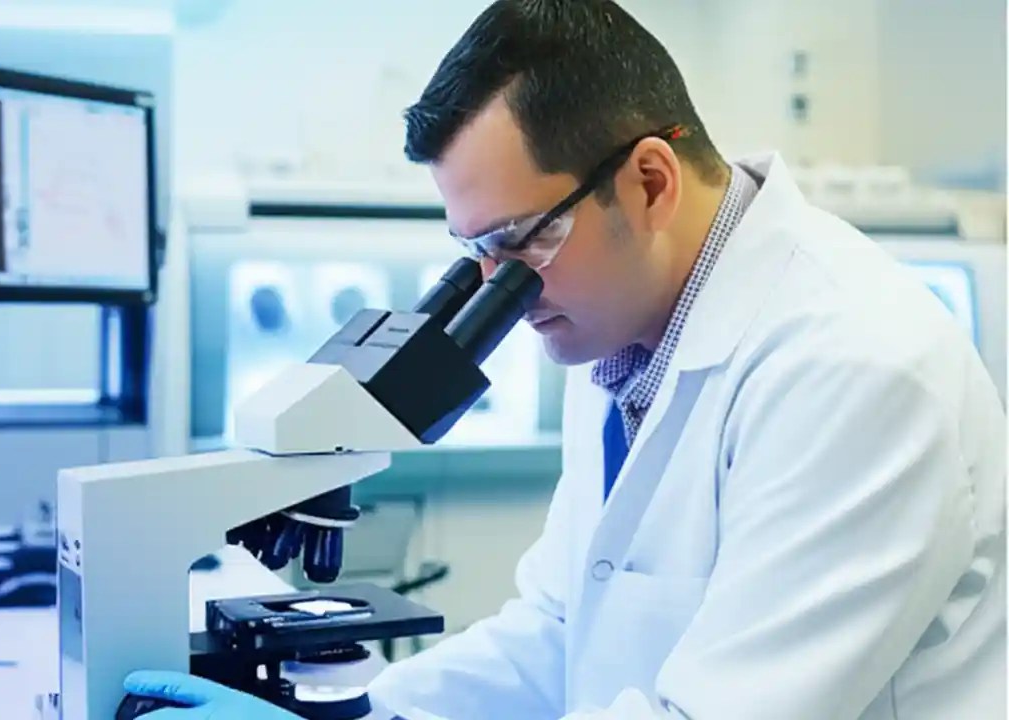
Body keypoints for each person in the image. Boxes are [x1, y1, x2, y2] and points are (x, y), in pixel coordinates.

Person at [125, 1, 1007, 718]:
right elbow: (555, 631)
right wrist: (366, 715)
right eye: (471, 251)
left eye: (520, 240)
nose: (497, 289)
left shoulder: (855, 368)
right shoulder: (618, 331)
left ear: (652, 181)